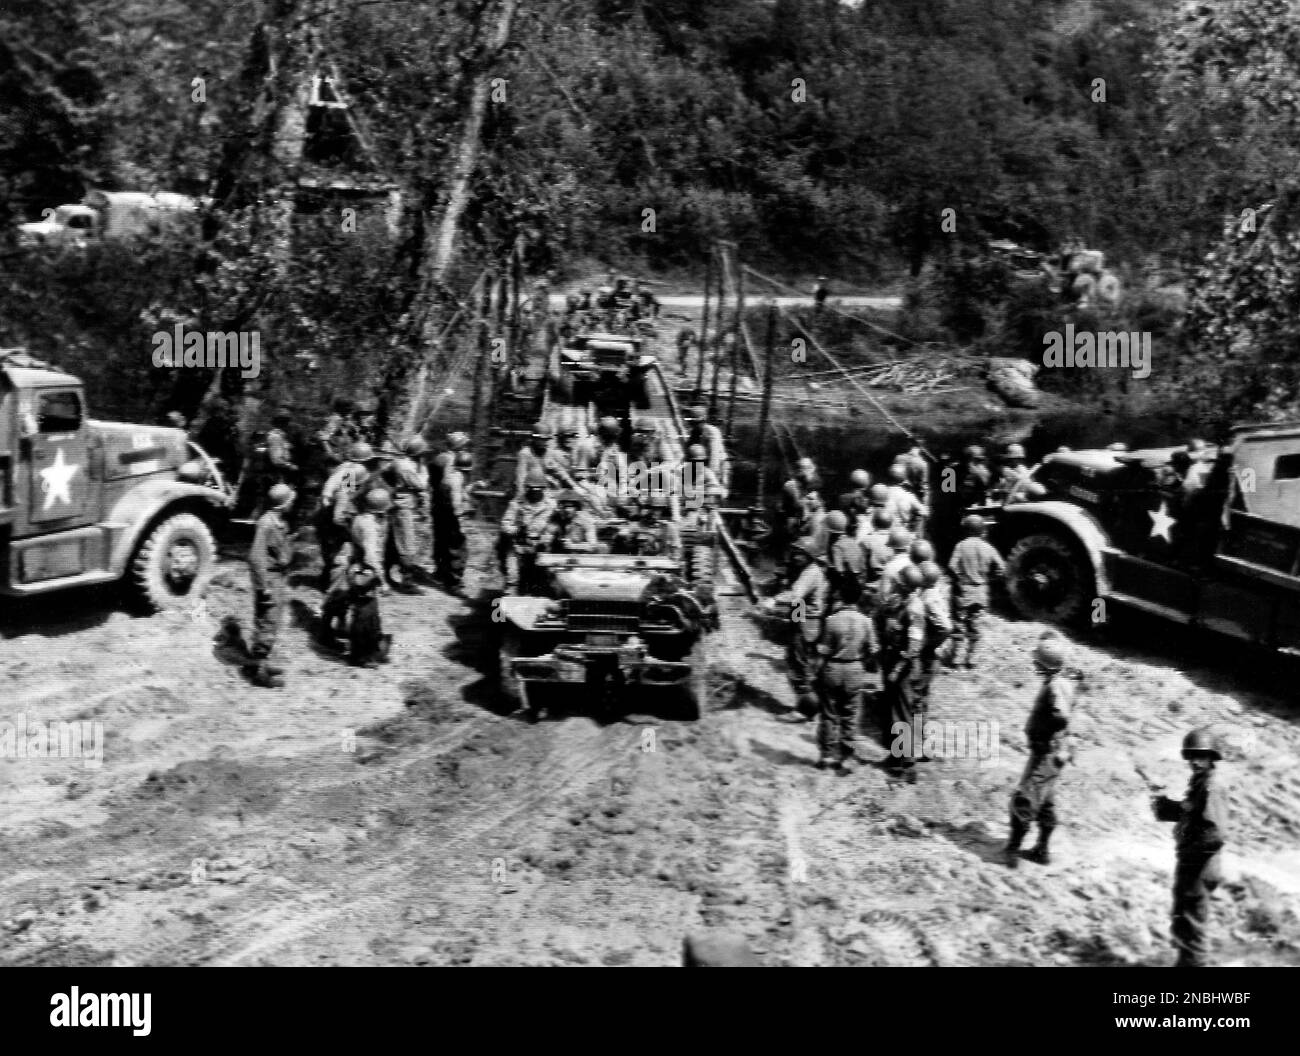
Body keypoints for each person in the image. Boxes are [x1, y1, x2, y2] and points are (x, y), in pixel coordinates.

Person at [1153, 728, 1229, 967]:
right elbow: (1191, 813)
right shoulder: (1200, 783)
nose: (1195, 762)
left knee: (1193, 927)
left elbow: (1215, 834)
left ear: (1212, 757)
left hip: (1200, 865)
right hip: (1193, 863)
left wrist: (1189, 854)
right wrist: (1165, 806)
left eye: (1202, 756)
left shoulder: (1211, 787)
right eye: (1192, 757)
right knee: (1184, 921)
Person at [1005, 634, 1076, 868]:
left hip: (1047, 752)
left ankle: (1013, 850)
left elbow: (1061, 717)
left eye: (1038, 661)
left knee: (1025, 800)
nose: (1034, 663)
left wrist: (1044, 734)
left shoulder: (1056, 686)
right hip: (1051, 752)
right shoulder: (1060, 682)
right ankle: (1042, 850)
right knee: (1045, 801)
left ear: (1044, 665)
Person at [814, 580, 877, 772]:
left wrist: (815, 672)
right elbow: (873, 649)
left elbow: (823, 650)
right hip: (855, 669)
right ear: (859, 597)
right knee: (850, 715)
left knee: (829, 714)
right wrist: (862, 661)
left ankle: (826, 756)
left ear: (841, 596)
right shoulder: (866, 621)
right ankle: (846, 758)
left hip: (833, 668)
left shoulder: (831, 620)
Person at [766, 537, 830, 718]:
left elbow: (795, 595)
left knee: (799, 664)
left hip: (807, 622)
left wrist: (774, 600)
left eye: (799, 554)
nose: (795, 557)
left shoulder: (810, 573)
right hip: (802, 616)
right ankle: (807, 705)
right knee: (795, 657)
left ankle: (805, 710)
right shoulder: (808, 569)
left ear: (809, 556)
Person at [878, 564, 927, 775]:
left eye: (899, 583)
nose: (895, 585)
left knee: (902, 713)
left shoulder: (914, 609)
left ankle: (903, 763)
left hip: (904, 668)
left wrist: (897, 670)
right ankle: (897, 755)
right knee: (893, 710)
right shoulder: (899, 601)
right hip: (892, 661)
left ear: (906, 587)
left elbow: (913, 648)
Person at [246, 483, 295, 689]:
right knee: (268, 622)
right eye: (290, 500)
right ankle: (259, 672)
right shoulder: (266, 524)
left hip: (277, 577)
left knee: (272, 621)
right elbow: (255, 558)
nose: (293, 503)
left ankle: (261, 662)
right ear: (283, 505)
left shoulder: (278, 521)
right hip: (269, 579)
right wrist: (263, 586)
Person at [316, 442, 382, 590]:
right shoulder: (354, 470)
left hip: (327, 512)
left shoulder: (345, 466)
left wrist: (326, 498)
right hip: (335, 515)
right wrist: (341, 516)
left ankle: (328, 579)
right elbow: (344, 494)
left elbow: (331, 485)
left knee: (332, 550)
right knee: (340, 550)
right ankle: (336, 583)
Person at [948, 513, 1006, 669]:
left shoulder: (961, 546)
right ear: (982, 530)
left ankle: (956, 660)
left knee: (959, 626)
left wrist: (959, 579)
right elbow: (1002, 568)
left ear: (966, 530)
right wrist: (989, 579)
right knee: (976, 626)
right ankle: (971, 660)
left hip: (963, 592)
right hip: (981, 592)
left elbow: (952, 566)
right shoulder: (989, 548)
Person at [499, 470, 557, 591]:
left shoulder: (551, 505)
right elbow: (505, 525)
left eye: (538, 489)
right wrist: (517, 530)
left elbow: (555, 525)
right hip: (518, 547)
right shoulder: (516, 504)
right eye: (532, 488)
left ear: (543, 488)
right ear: (527, 488)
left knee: (544, 583)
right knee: (512, 580)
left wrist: (546, 538)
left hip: (541, 548)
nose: (535, 492)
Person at [385, 436, 430, 591]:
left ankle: (386, 575)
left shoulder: (398, 462)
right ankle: (407, 582)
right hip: (403, 507)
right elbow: (421, 485)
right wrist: (423, 470)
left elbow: (386, 473)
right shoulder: (407, 467)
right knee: (406, 543)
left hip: (399, 504)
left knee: (393, 542)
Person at [915, 560, 952, 733]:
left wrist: (927, 643)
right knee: (920, 699)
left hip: (925, 656)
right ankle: (921, 744)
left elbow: (946, 627)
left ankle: (911, 747)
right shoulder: (932, 593)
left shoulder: (929, 598)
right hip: (928, 655)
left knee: (915, 699)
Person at [433, 450, 474, 592]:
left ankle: (445, 576)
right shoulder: (458, 480)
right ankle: (454, 584)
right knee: (459, 551)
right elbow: (456, 505)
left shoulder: (450, 477)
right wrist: (463, 517)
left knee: (445, 548)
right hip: (452, 520)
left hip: (443, 517)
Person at [346, 560, 389, 668]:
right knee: (363, 623)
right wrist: (382, 582)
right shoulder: (365, 551)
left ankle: (370, 654)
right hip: (363, 582)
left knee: (372, 621)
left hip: (368, 588)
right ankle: (359, 657)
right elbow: (371, 557)